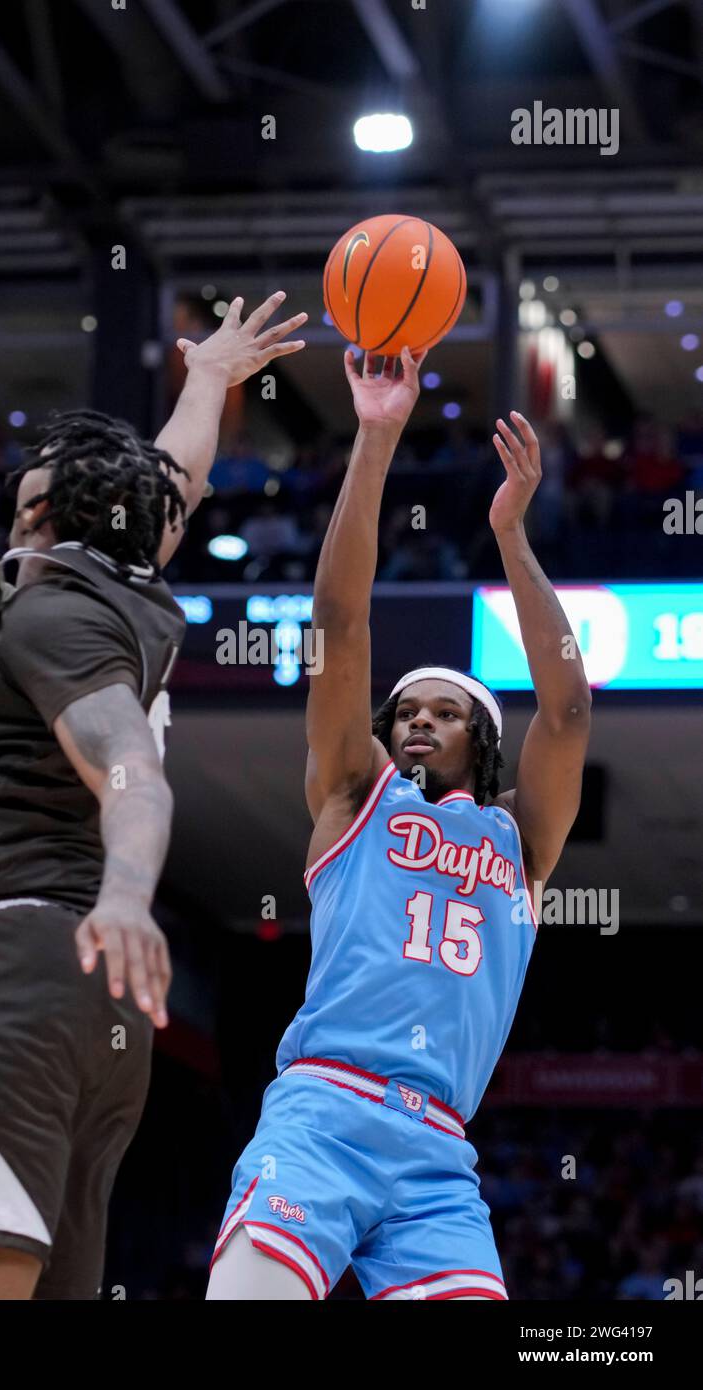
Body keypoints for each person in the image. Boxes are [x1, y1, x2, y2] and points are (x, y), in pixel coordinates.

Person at [0, 291, 307, 1301]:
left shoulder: (44, 611)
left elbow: (129, 768)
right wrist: (205, 381)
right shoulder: (126, 582)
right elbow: (177, 480)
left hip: (4, 974)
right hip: (91, 1009)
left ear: (36, 520)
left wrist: (126, 894)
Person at [207, 346, 591, 1301]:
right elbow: (337, 619)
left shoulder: (522, 841)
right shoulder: (354, 795)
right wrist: (376, 436)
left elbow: (570, 708)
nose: (417, 716)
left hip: (436, 1156)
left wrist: (511, 537)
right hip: (324, 1114)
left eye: (444, 710)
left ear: (481, 741)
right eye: (405, 708)